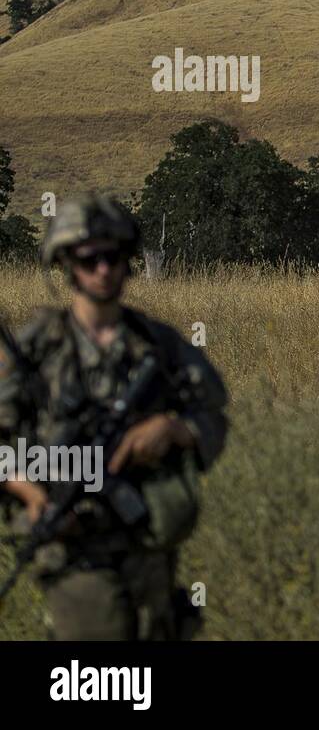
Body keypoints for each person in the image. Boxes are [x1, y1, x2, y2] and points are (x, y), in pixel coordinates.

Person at [0, 194, 228, 639]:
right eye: (91, 259)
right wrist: (29, 492)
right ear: (67, 265)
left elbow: (213, 416)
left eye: (115, 257)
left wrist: (175, 429)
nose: (104, 269)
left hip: (150, 552)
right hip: (74, 554)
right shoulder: (34, 351)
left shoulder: (158, 346)